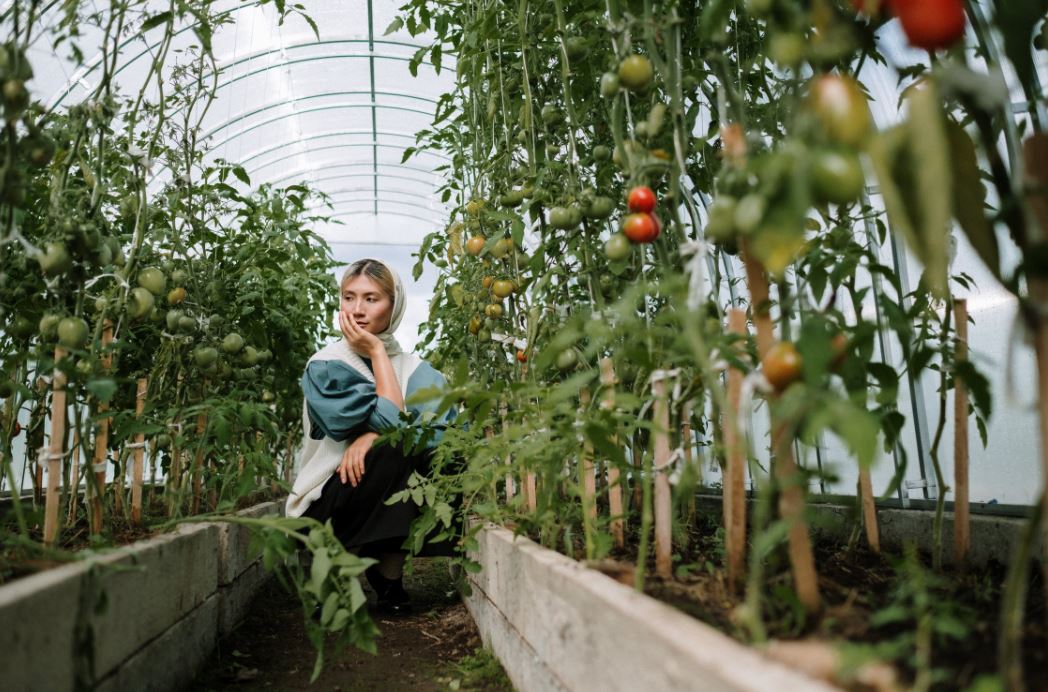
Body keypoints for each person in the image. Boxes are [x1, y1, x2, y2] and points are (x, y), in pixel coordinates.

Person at [286, 258, 457, 613]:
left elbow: (446, 437)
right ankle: (334, 577)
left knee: (430, 457)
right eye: (349, 298)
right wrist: (377, 353)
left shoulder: (418, 370)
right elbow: (394, 428)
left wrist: (371, 436)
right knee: (393, 451)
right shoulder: (327, 365)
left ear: (394, 306)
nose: (357, 310)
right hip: (330, 499)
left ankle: (388, 578)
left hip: (383, 491)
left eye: (371, 298)